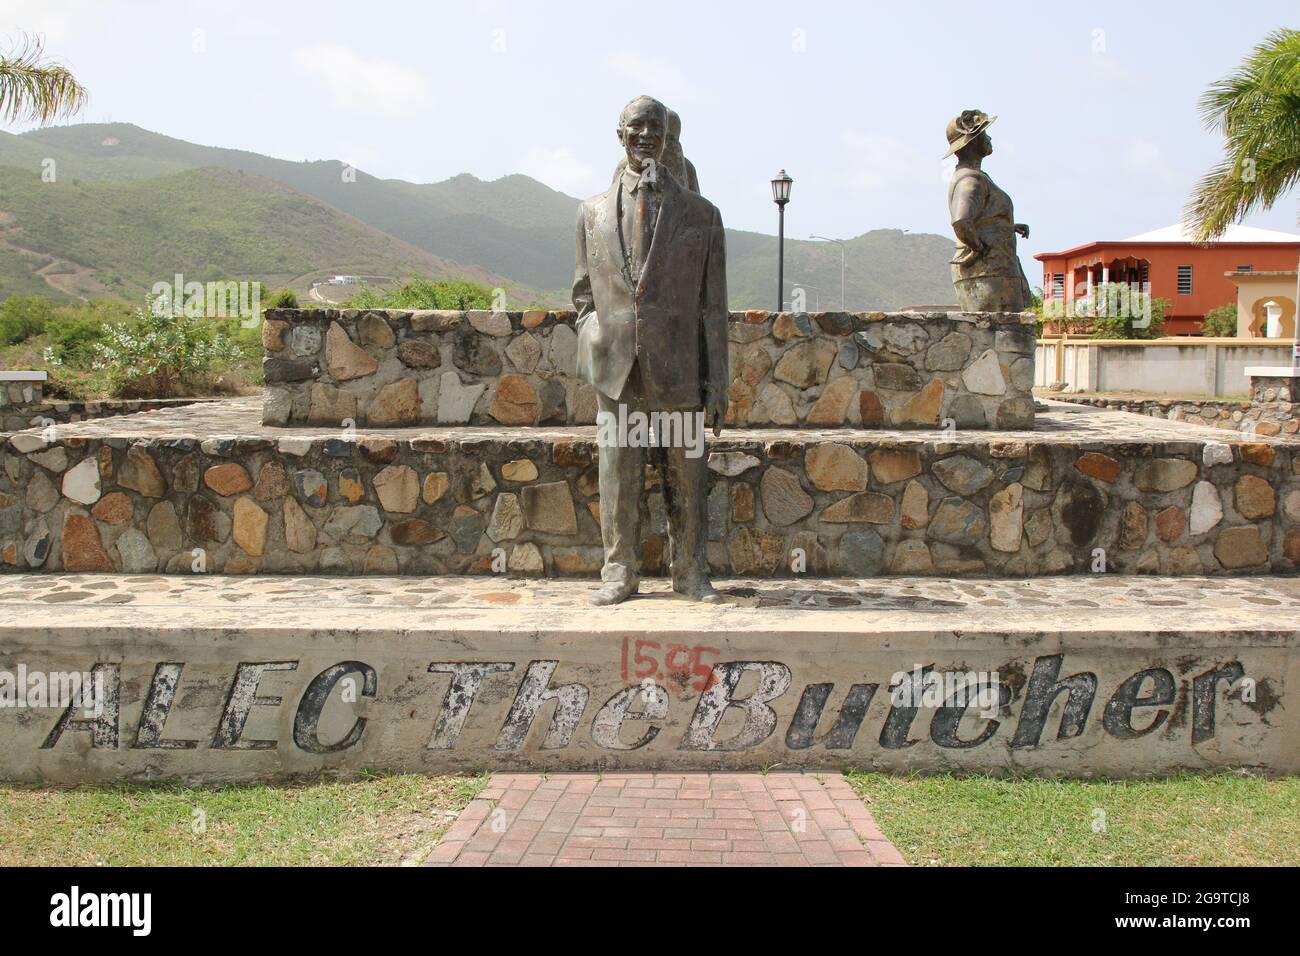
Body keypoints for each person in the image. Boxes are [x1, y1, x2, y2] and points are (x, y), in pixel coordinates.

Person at [572, 95, 728, 606]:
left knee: (687, 472)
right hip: (617, 369)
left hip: (680, 367)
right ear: (620, 134)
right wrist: (595, 337)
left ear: (668, 137)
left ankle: (690, 571)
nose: (645, 136)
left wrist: (717, 381)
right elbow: (581, 295)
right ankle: (618, 571)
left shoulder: (702, 214)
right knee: (618, 472)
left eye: (655, 128)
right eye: (636, 126)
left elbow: (713, 306)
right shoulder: (589, 212)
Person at [945, 110, 1033, 311]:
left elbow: (978, 218)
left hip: (995, 270)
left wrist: (1007, 226)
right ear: (973, 142)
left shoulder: (974, 176)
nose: (989, 138)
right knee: (1005, 333)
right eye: (984, 134)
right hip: (990, 272)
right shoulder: (971, 180)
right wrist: (980, 248)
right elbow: (961, 221)